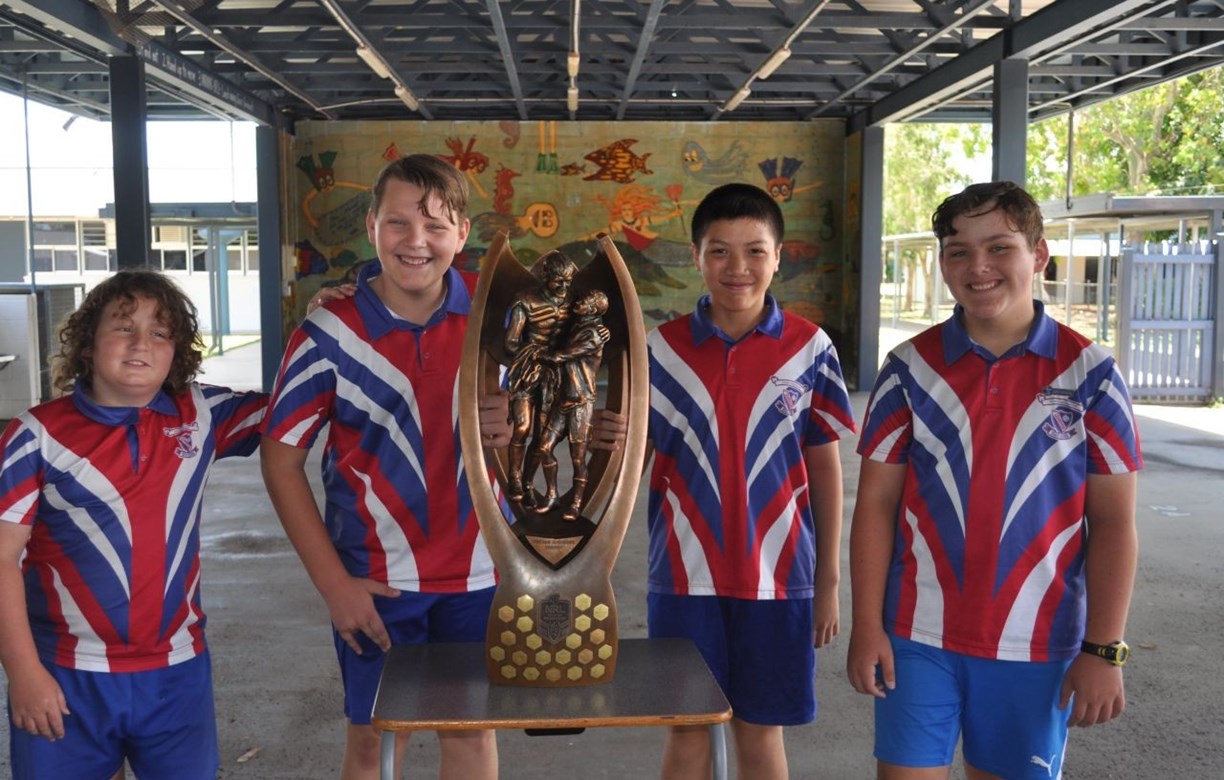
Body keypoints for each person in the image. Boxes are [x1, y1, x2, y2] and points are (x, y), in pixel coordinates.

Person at [846, 181, 1143, 780]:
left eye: (1000, 247)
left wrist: (1104, 647)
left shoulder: (1092, 374)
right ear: (943, 263)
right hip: (916, 635)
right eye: (959, 251)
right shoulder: (909, 368)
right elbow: (875, 506)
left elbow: (1112, 523)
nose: (978, 267)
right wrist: (866, 626)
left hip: (1039, 644)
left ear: (1038, 255)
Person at [0, 269, 266, 780]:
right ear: (87, 345)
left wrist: (327, 311)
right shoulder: (37, 434)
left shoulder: (203, 414)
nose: (142, 342)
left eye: (160, 332)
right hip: (65, 675)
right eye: (123, 327)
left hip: (176, 675)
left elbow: (306, 402)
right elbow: (2, 558)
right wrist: (23, 672)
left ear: (177, 353)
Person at [645, 182, 857, 779]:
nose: (737, 268)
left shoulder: (811, 348)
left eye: (754, 251)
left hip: (779, 579)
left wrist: (829, 581)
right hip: (683, 579)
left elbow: (824, 465)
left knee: (760, 735)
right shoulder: (660, 351)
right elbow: (633, 460)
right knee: (687, 732)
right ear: (696, 256)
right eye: (719, 251)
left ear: (779, 256)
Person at [503, 249, 576, 510]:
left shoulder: (572, 302)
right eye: (558, 281)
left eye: (568, 282)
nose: (563, 287)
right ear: (545, 277)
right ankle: (514, 475)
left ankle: (529, 483)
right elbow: (511, 342)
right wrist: (536, 353)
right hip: (527, 371)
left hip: (555, 376)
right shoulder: (525, 301)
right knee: (522, 428)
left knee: (544, 437)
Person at [537, 289, 612, 521]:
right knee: (544, 447)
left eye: (587, 300)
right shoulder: (576, 327)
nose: (581, 300)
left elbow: (562, 355)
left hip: (581, 402)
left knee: (577, 458)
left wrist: (536, 354)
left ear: (595, 309)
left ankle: (577, 503)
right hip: (563, 400)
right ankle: (552, 495)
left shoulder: (593, 335)